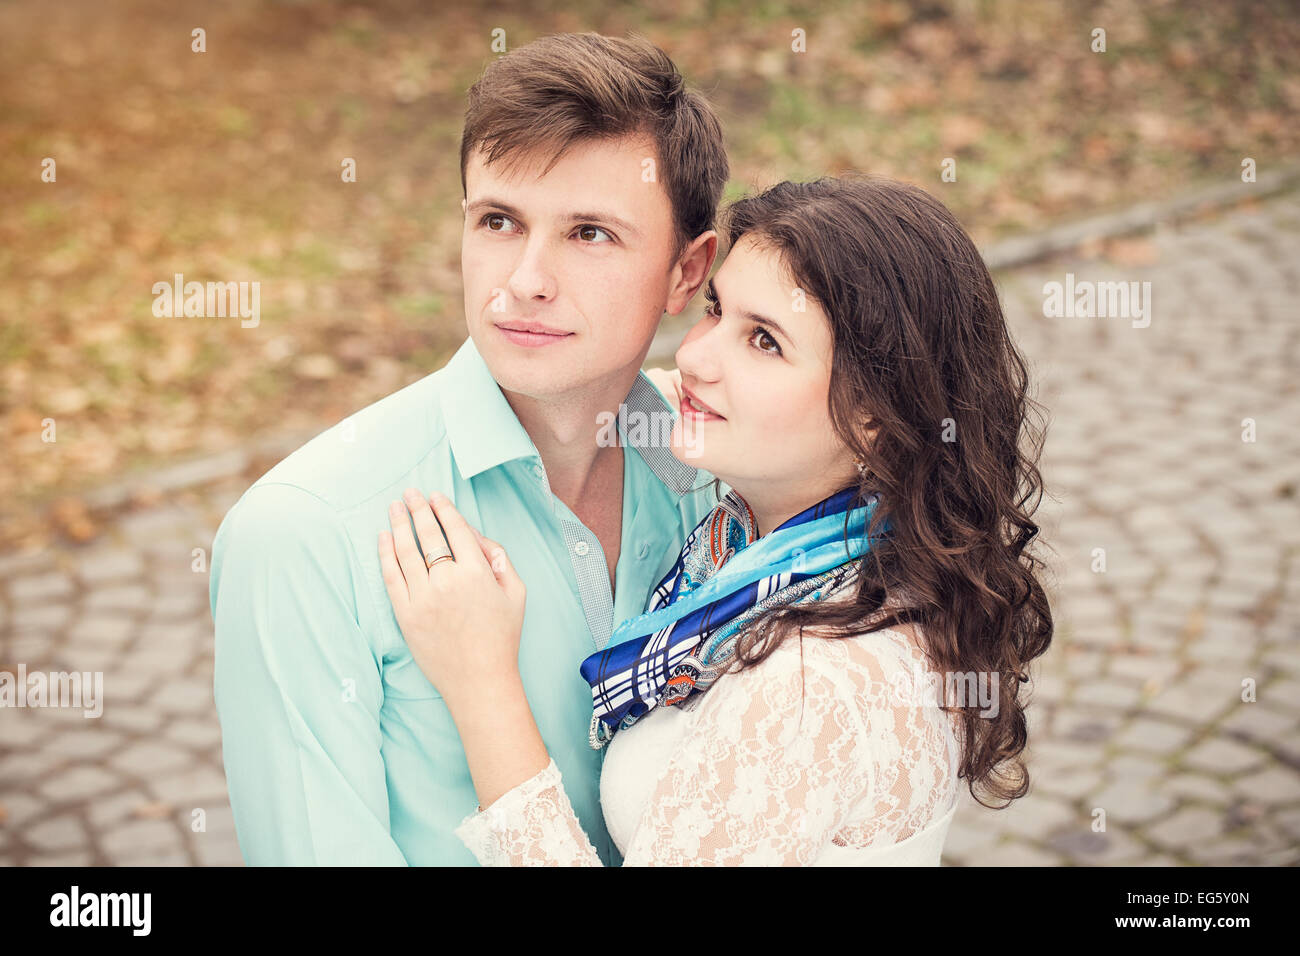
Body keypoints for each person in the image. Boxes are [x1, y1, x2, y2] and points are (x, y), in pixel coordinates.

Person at [379, 175, 1055, 865]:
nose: (694, 357)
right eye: (715, 310)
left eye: (764, 341)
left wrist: (484, 686)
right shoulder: (846, 560)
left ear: (874, 417)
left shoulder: (804, 691)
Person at [209, 32, 729, 865]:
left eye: (590, 233)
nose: (523, 279)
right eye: (498, 220)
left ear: (686, 272)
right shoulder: (302, 537)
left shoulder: (723, 482)